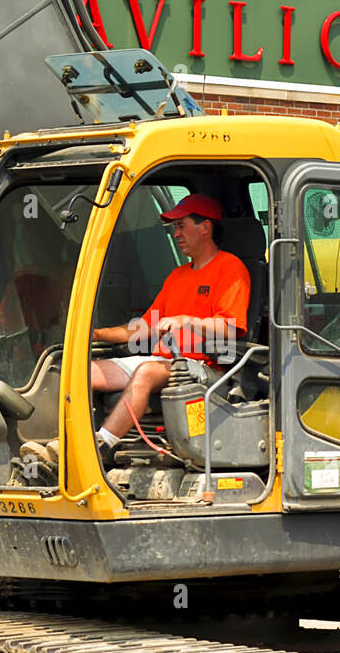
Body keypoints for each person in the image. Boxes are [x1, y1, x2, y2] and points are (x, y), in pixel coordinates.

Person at [90, 193, 250, 463]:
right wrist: (94, 335)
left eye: (181, 225)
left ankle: (99, 446)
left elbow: (230, 328)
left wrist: (186, 321)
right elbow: (143, 328)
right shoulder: (177, 276)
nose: (176, 233)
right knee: (85, 371)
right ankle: (68, 439)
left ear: (205, 227)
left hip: (205, 367)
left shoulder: (231, 269)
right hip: (166, 362)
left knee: (145, 372)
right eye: (174, 227)